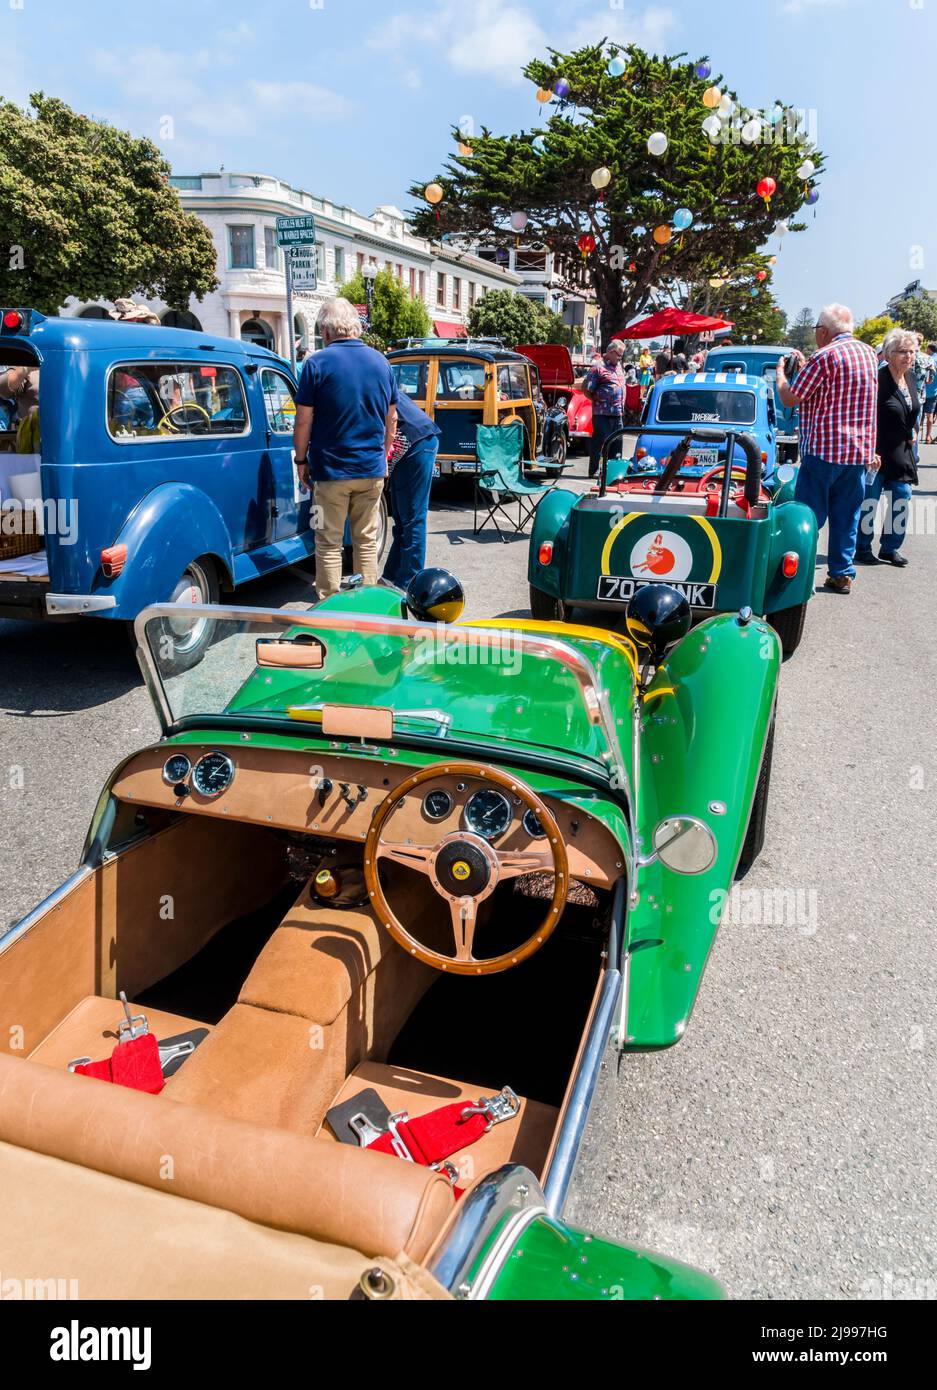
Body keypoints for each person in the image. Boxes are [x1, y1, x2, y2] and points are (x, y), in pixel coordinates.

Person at [293, 297, 397, 601]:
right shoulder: (381, 362)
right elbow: (392, 418)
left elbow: (303, 421)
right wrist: (385, 455)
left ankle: (329, 605)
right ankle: (367, 603)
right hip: (371, 469)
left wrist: (301, 460)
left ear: (325, 331)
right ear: (355, 327)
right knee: (366, 541)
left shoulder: (316, 364)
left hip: (331, 472)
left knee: (328, 542)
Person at [776, 303, 878, 594]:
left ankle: (799, 576)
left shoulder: (824, 356)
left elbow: (791, 397)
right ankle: (842, 573)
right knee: (847, 516)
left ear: (823, 331)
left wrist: (781, 373)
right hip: (857, 452)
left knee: (808, 516)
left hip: (824, 451)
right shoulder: (868, 353)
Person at [855, 328, 920, 568]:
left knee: (901, 496)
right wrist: (867, 449)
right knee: (869, 501)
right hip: (877, 452)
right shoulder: (877, 379)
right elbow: (864, 416)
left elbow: (911, 408)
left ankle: (890, 548)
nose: (909, 356)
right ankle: (862, 547)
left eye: (912, 351)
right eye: (903, 351)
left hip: (901, 451)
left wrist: (912, 429)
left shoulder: (911, 378)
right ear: (889, 353)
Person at [381, 392, 440, 591]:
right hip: (411, 441)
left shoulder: (366, 380)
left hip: (416, 442)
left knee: (413, 517)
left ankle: (409, 581)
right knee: (401, 517)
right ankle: (391, 576)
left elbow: (393, 418)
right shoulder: (373, 374)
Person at [583, 339, 626, 478]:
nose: (620, 358)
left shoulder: (619, 367)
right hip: (602, 413)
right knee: (599, 443)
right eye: (619, 355)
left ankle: (613, 472)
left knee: (617, 443)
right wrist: (598, 400)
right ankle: (594, 470)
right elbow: (586, 388)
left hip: (617, 413)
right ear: (611, 352)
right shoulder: (598, 368)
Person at [922, 342, 937, 445]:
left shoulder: (928, 359)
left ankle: (916, 433)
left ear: (929, 349)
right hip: (934, 391)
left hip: (923, 390)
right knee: (930, 415)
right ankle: (928, 436)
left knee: (919, 414)